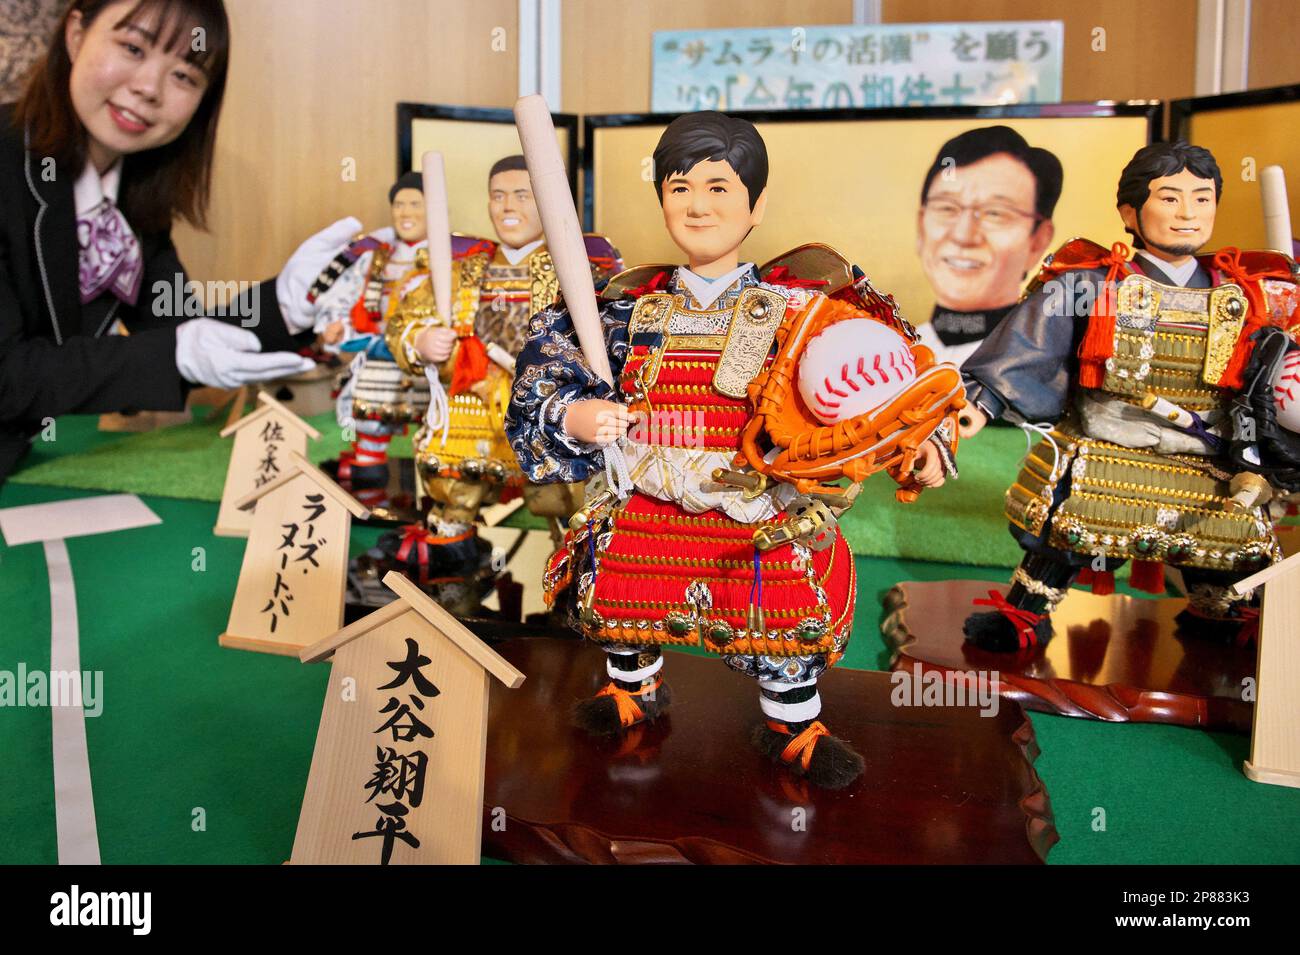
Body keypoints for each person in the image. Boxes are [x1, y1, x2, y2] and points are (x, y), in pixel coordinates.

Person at [506, 112, 962, 789]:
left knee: (781, 621)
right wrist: (577, 410)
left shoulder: (802, 305)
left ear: (757, 203)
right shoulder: (624, 307)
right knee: (624, 603)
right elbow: (545, 374)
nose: (698, 205)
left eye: (719, 188)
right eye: (680, 187)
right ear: (660, 197)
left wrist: (921, 442)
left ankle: (794, 720)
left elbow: (888, 385)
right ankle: (632, 687)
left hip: (751, 501)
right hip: (647, 490)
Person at [959, 141, 1300, 653]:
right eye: (1170, 198)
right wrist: (980, 401)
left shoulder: (1250, 294)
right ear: (1129, 212)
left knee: (1233, 545)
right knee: (1064, 530)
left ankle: (1222, 608)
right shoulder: (1094, 282)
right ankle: (1027, 611)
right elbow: (1030, 340)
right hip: (1109, 445)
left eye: (1202, 199)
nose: (1188, 213)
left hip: (1212, 456)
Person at [0, 0, 354, 484]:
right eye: (132, 47)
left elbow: (180, 329)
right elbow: (7, 376)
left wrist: (288, 305)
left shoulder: (132, 189)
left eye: (185, 76)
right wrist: (180, 351)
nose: (148, 88)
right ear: (76, 33)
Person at [373, 155, 620, 613]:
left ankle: (574, 598)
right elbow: (404, 321)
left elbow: (608, 336)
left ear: (545, 201)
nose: (508, 206)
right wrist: (422, 339)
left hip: (546, 414)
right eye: (499, 195)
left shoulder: (579, 266)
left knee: (570, 510)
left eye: (522, 194)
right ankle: (453, 590)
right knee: (453, 503)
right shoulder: (465, 266)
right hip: (469, 411)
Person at [310, 171, 433, 489]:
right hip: (378, 349)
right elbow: (345, 293)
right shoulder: (376, 254)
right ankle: (369, 469)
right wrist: (335, 323)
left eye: (415, 204)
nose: (405, 213)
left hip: (428, 356)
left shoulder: (450, 255)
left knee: (435, 421)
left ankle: (436, 479)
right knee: (368, 413)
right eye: (399, 205)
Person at [914, 125, 1061, 367]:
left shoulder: (1043, 368)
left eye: (995, 213)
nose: (963, 235)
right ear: (921, 226)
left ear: (1038, 241)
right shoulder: (885, 354)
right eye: (947, 208)